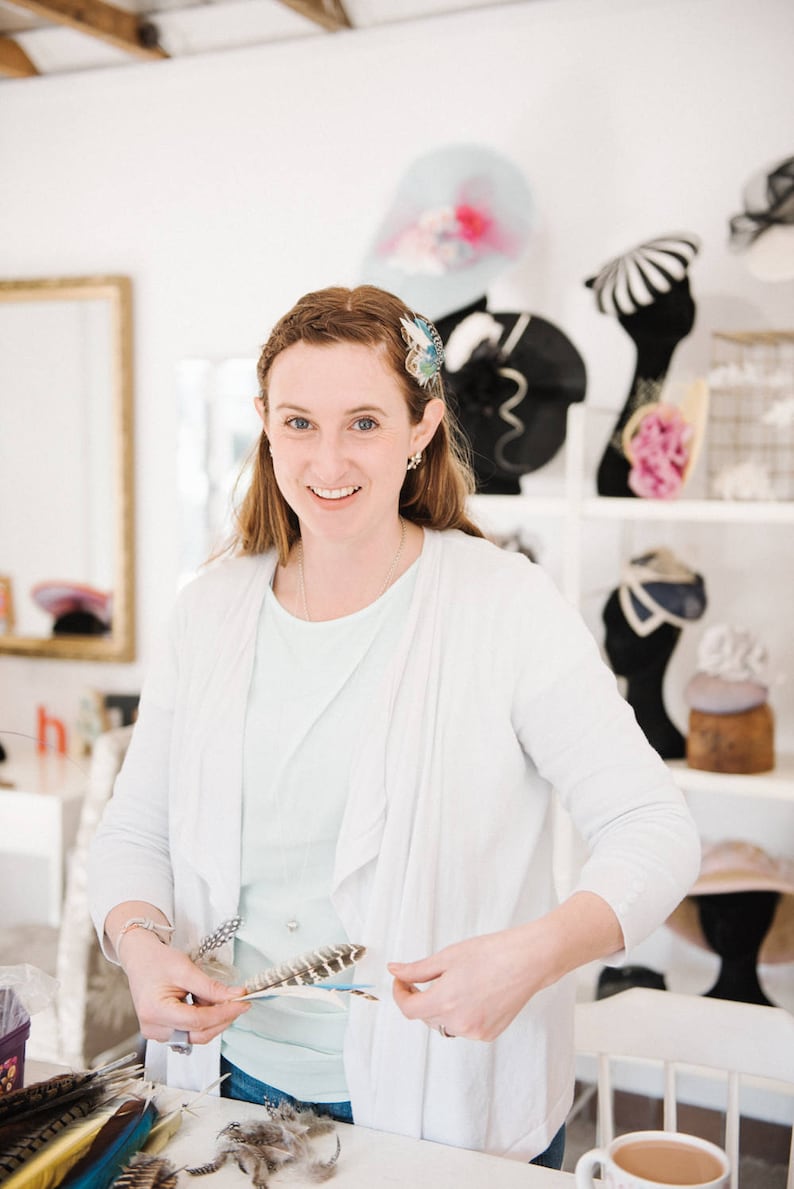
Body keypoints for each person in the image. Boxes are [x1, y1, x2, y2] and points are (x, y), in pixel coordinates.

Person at [88, 284, 700, 1169]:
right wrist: (140, 946)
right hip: (222, 1086)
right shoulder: (209, 612)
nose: (327, 458)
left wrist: (532, 957)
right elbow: (135, 829)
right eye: (298, 422)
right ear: (264, 422)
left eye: (364, 422)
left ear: (422, 428)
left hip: (445, 1098)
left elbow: (653, 826)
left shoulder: (505, 606)